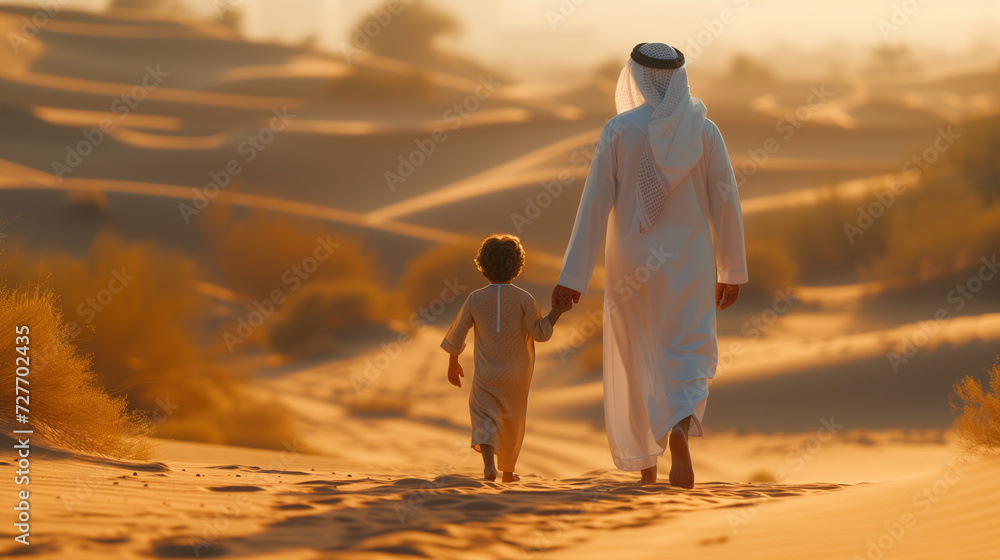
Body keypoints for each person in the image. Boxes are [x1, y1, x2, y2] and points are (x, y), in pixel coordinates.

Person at [552, 42, 748, 488]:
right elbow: (727, 201)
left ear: (638, 77)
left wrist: (573, 277)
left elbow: (594, 204)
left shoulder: (619, 130)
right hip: (691, 261)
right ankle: (679, 425)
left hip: (632, 262)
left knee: (637, 355)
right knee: (688, 350)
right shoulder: (704, 129)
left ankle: (647, 472)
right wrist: (731, 271)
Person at [442, 234, 570, 482]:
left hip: (486, 374)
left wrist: (453, 363)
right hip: (516, 375)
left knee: (484, 416)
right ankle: (508, 473)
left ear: (483, 265)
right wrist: (558, 311)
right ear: (517, 265)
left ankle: (489, 466)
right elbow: (540, 334)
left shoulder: (475, 298)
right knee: (512, 421)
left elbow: (456, 335)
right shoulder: (524, 298)